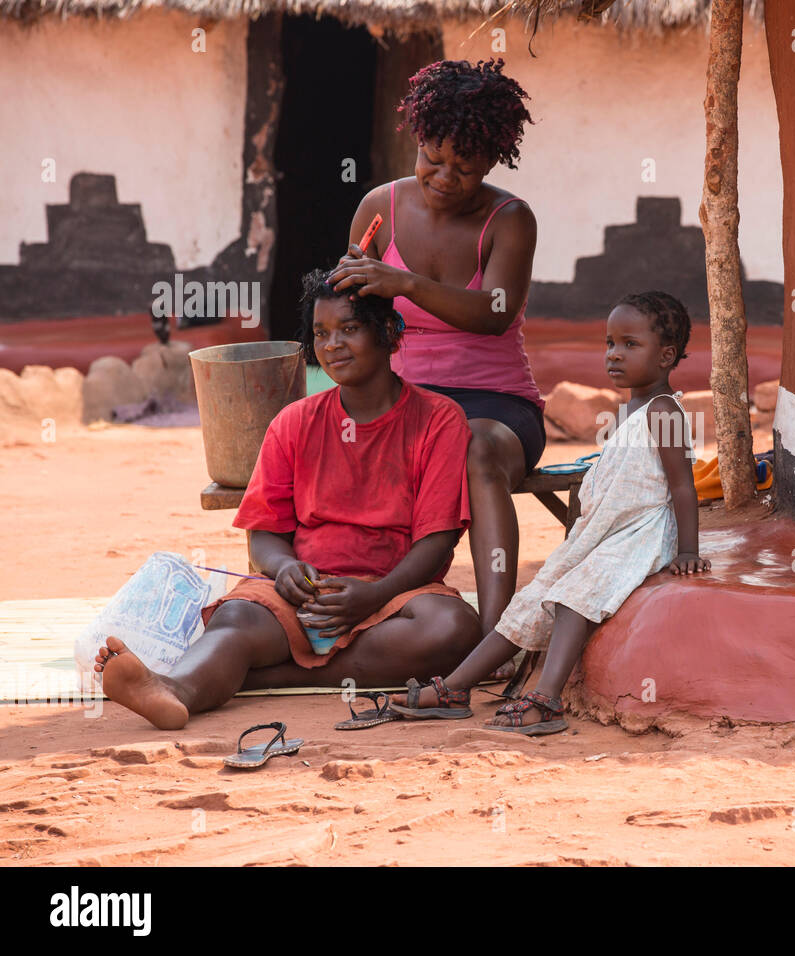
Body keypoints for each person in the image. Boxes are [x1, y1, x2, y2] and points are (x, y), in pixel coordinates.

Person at [93, 270, 481, 730]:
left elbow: (437, 543)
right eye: (321, 333)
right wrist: (285, 569)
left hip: (395, 596)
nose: (333, 344)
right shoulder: (293, 422)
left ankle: (258, 678)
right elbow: (266, 536)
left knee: (453, 628)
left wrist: (373, 593)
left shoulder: (439, 420)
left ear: (390, 334)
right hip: (304, 600)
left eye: (350, 329)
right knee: (237, 618)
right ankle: (175, 690)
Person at [390, 291, 710, 735]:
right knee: (528, 600)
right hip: (601, 533)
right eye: (609, 343)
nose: (614, 355)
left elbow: (681, 486)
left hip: (639, 535)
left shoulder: (663, 410)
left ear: (666, 356)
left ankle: (547, 699)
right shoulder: (629, 409)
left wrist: (686, 551)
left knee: (572, 598)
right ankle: (456, 687)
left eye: (629, 345)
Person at [328, 59, 544, 663]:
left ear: (492, 161)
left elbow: (496, 312)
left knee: (474, 447)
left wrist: (404, 283)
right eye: (432, 158)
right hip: (406, 404)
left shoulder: (510, 220)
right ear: (416, 141)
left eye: (465, 167)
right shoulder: (379, 207)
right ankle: (356, 613)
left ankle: (498, 639)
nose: (444, 177)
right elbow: (350, 312)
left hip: (495, 407)